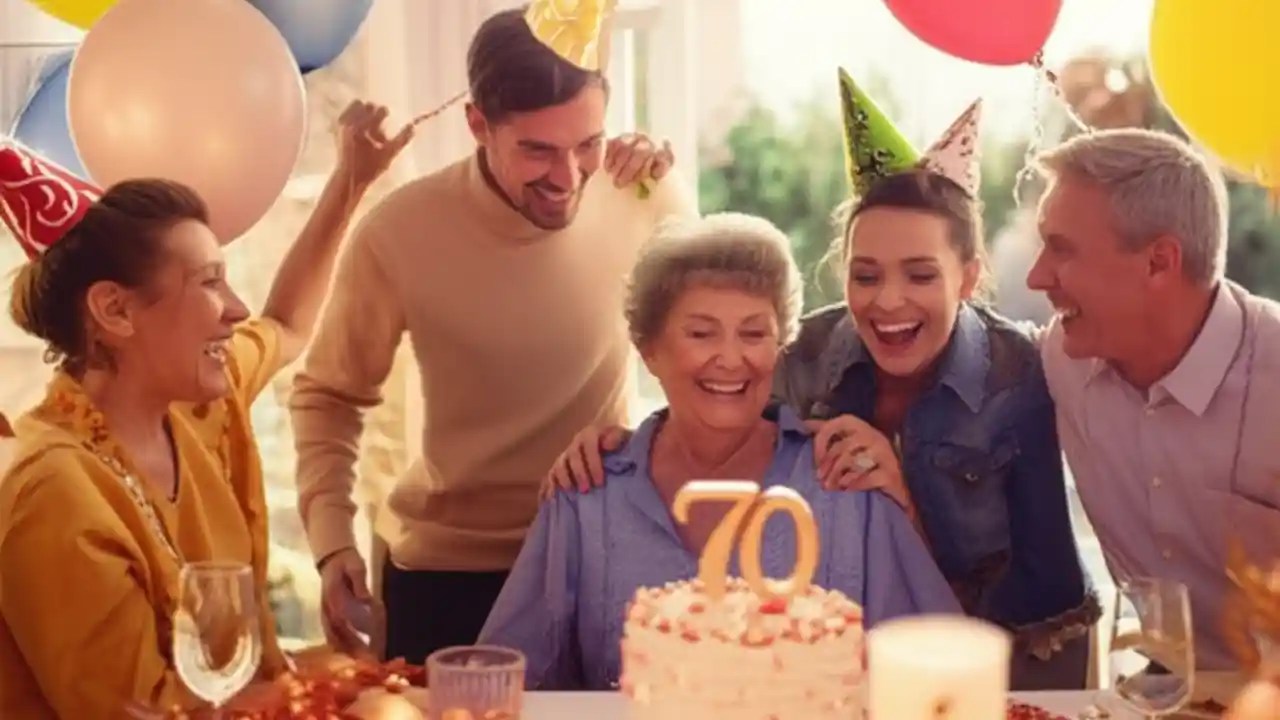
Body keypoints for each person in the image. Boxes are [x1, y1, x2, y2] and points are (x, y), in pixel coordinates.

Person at [544, 69, 1098, 690]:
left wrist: (907, 515)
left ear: (967, 279)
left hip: (1016, 658)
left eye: (920, 275)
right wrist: (619, 447)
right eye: (866, 276)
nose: (889, 302)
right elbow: (716, 409)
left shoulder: (1018, 372)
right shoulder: (800, 351)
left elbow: (1049, 588)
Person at [290, 6, 694, 666]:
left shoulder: (642, 193)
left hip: (601, 561)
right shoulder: (398, 233)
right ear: (477, 124)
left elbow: (710, 356)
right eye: (537, 150)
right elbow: (328, 397)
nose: (567, 178)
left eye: (586, 143)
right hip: (447, 585)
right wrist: (332, 539)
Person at [0, 101, 409, 719]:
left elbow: (287, 323)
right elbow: (137, 714)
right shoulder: (54, 494)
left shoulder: (196, 407)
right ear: (114, 312)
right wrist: (331, 690)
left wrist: (352, 182)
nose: (236, 309)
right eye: (210, 282)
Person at [479, 212, 960, 689]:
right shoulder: (584, 495)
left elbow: (943, 677)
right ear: (649, 350)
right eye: (701, 333)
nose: (731, 359)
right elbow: (504, 686)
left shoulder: (847, 480)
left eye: (753, 333)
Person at [1028, 128, 1280, 676]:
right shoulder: (1060, 359)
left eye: (1062, 249)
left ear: (1159, 263)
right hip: (1157, 693)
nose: (1036, 276)